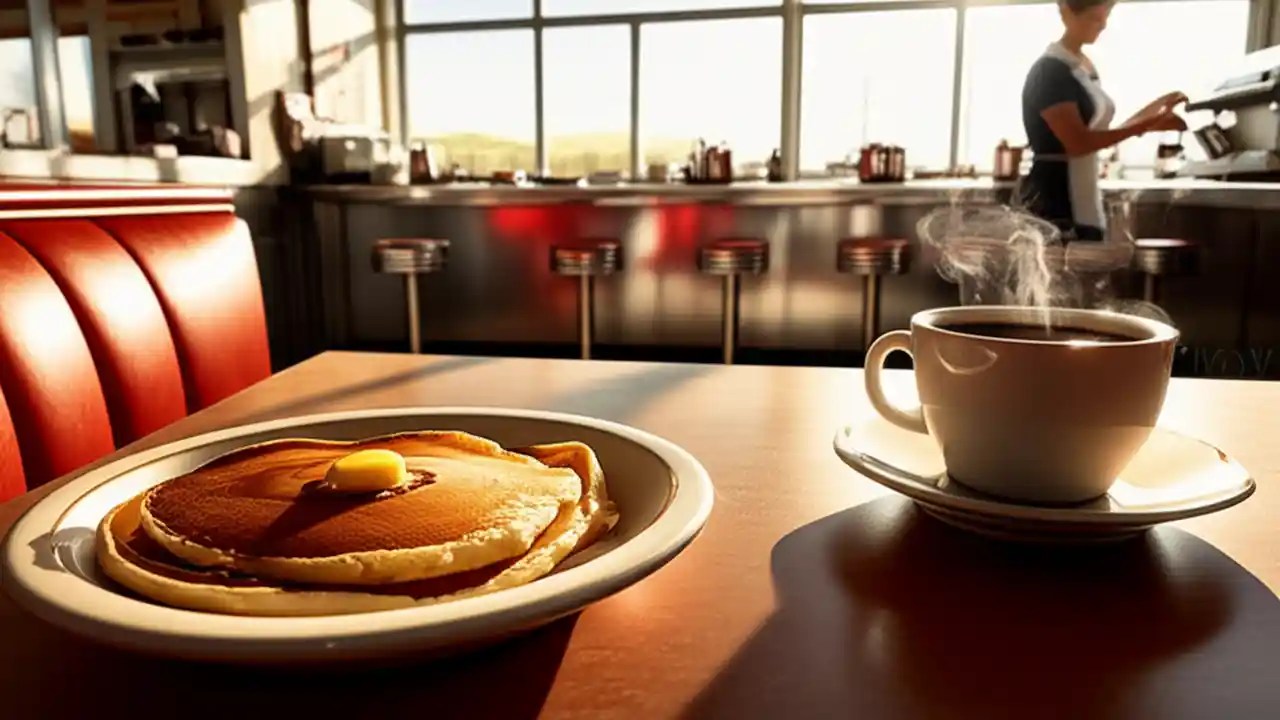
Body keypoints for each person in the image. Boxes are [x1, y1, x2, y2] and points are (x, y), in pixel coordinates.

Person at [1018, 0, 1187, 240]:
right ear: (1067, 13)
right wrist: (1146, 124)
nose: (1103, 25)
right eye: (1095, 18)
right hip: (1054, 199)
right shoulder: (1050, 72)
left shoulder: (1082, 66)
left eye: (1106, 17)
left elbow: (1102, 133)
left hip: (1083, 198)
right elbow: (1078, 143)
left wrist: (1155, 110)